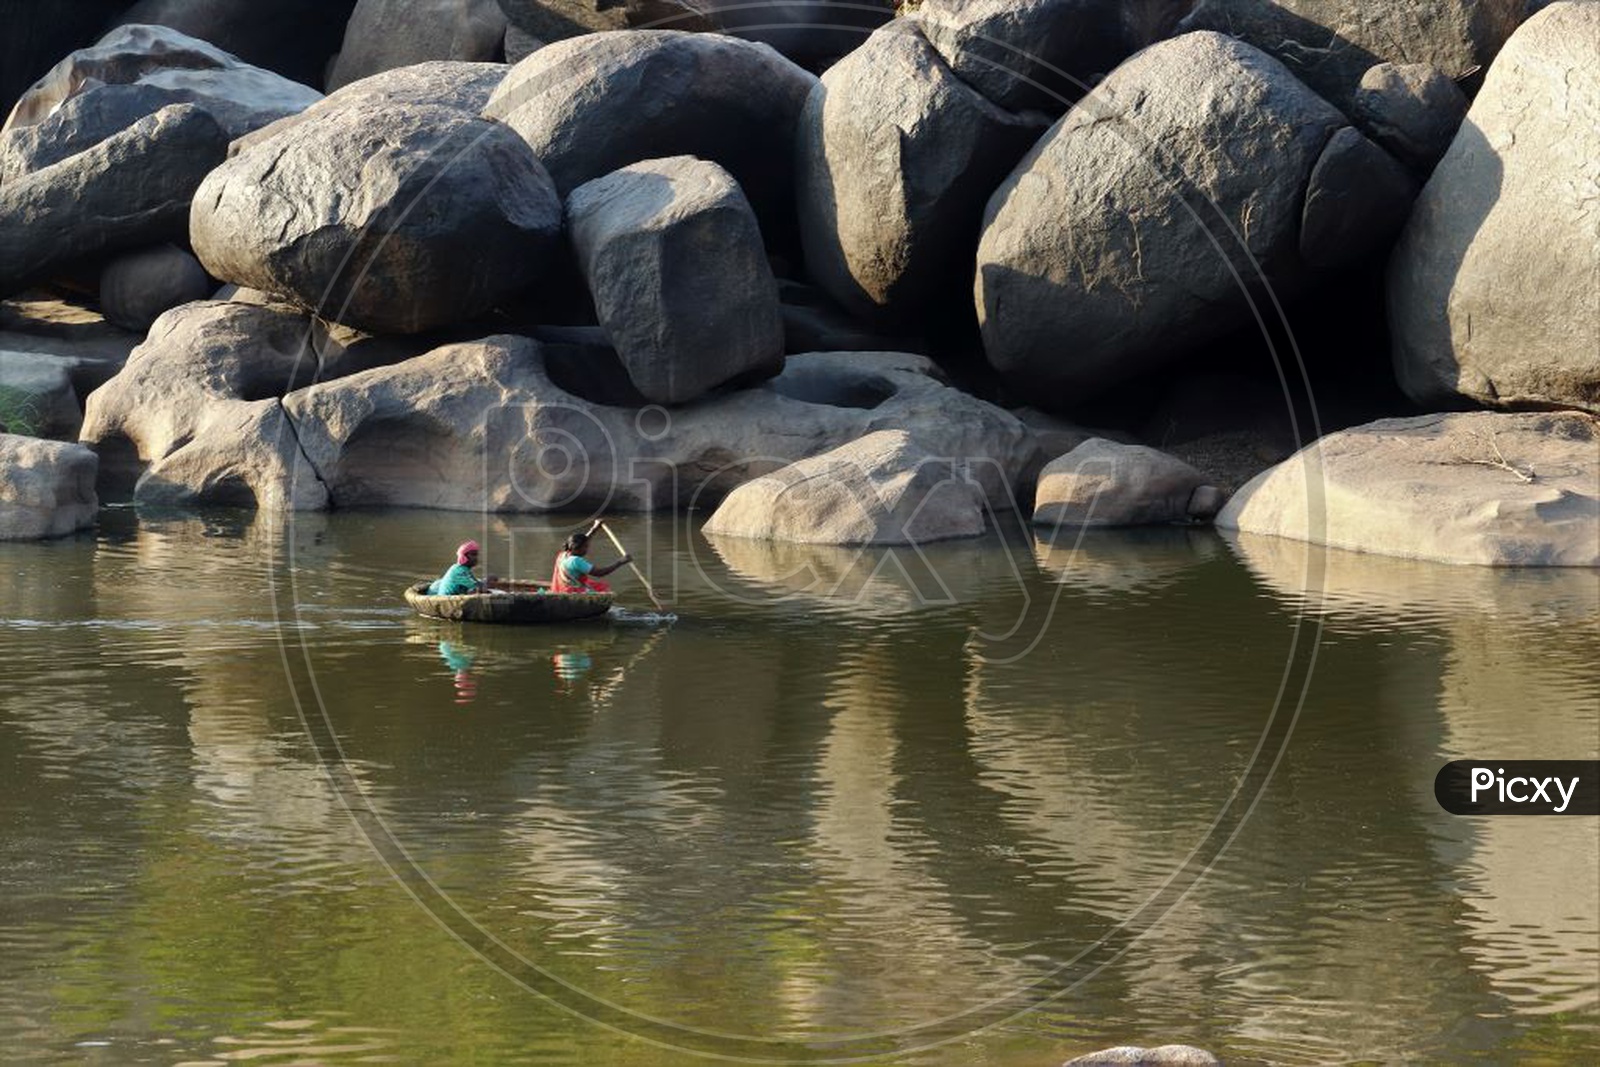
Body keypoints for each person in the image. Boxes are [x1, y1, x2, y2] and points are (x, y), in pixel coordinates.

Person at [551, 520, 631, 594]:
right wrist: (620, 562)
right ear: (577, 547)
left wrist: (594, 528)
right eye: (585, 547)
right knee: (603, 588)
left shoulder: (563, 554)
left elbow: (584, 540)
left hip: (562, 589)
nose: (587, 549)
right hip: (572, 592)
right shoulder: (576, 561)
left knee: (594, 584)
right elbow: (600, 573)